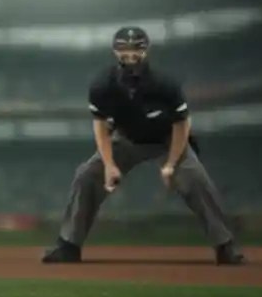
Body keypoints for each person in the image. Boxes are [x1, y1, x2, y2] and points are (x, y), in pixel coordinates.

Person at [41, 27, 247, 266]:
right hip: (126, 139)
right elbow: (101, 127)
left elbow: (182, 124)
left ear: (146, 50)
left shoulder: (165, 84)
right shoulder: (102, 85)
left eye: (136, 49)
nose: (130, 55)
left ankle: (225, 245)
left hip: (167, 140)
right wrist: (109, 165)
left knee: (195, 178)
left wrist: (171, 165)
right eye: (124, 49)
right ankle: (68, 245)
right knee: (86, 175)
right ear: (114, 51)